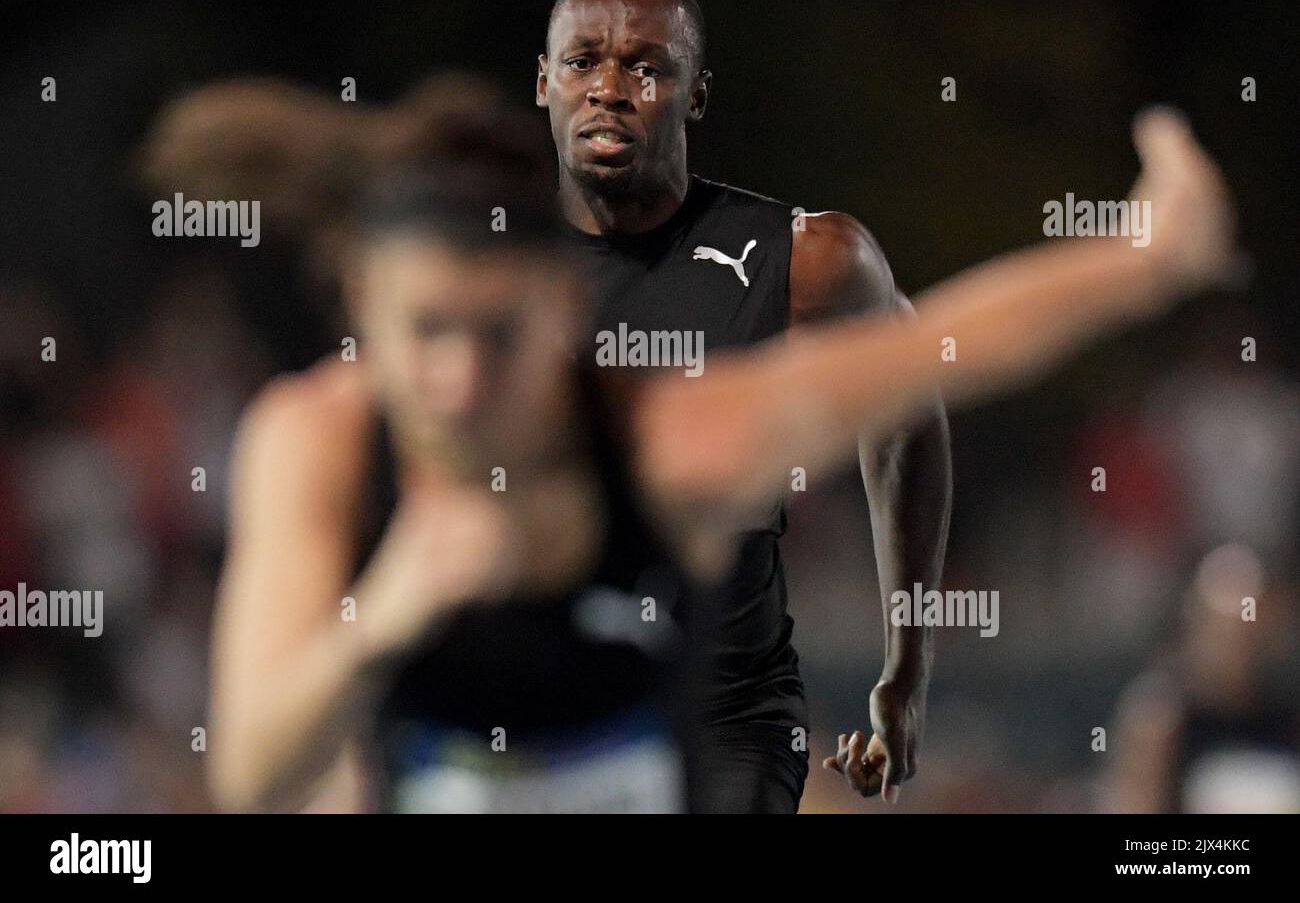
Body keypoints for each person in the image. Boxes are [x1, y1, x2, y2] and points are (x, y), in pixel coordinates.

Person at [207, 100, 1237, 813]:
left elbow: (939, 348)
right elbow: (251, 774)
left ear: (565, 306)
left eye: (498, 337)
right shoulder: (320, 443)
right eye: (425, 332)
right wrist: (381, 615)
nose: (462, 382)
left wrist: (1149, 260)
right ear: (363, 315)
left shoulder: (672, 441)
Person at [537, 0, 952, 810]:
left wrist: (907, 667)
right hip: (550, 710)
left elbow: (908, 417)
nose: (610, 87)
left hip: (729, 715)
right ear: (544, 82)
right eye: (584, 61)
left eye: (646, 67)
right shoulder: (494, 276)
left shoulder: (809, 263)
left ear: (695, 94)